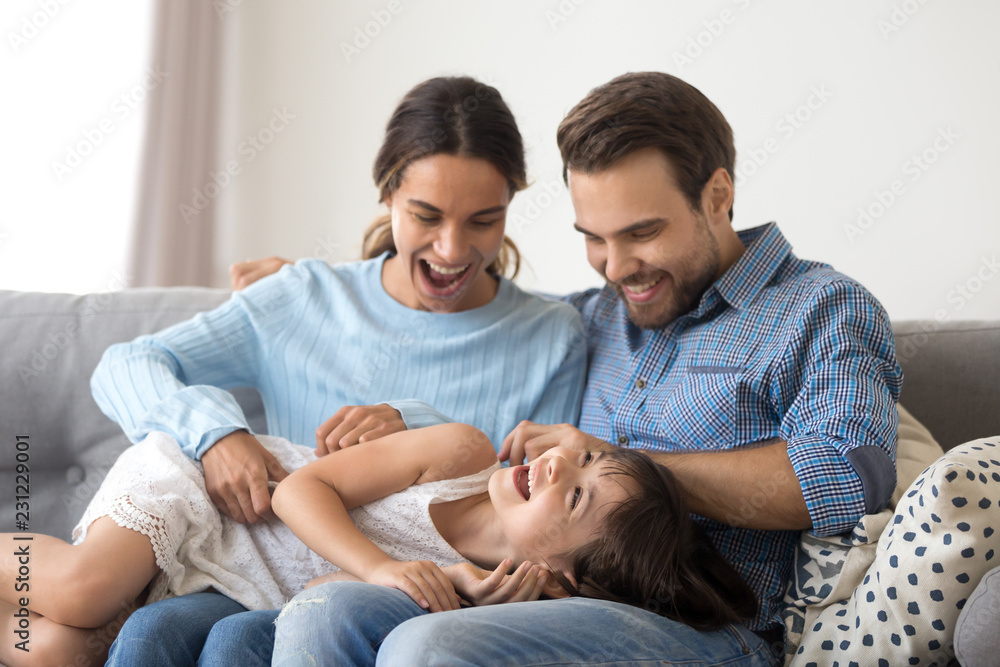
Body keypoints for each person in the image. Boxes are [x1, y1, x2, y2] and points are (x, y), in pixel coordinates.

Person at [234, 71, 903, 665]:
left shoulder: (820, 308)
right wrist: (321, 289)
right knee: (329, 611)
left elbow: (849, 475)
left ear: (718, 195)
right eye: (594, 239)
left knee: (426, 647)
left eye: (641, 232)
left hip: (705, 632)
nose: (615, 267)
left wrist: (619, 461)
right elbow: (471, 299)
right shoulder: (597, 315)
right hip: (532, 597)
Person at [70, 75, 589, 666]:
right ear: (388, 194)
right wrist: (215, 433)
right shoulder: (304, 298)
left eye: (483, 221)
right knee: (152, 635)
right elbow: (127, 364)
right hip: (266, 564)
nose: (452, 250)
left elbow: (537, 491)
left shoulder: (551, 336)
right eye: (426, 215)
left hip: (407, 595)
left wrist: (409, 418)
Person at [0, 421, 760, 667]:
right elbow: (299, 490)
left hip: (217, 582)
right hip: (213, 501)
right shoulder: (462, 451)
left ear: (559, 577)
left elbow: (322, 611)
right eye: (589, 457)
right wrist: (384, 566)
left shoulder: (478, 595)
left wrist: (451, 585)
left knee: (51, 650)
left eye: (579, 493)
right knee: (79, 591)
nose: (562, 461)